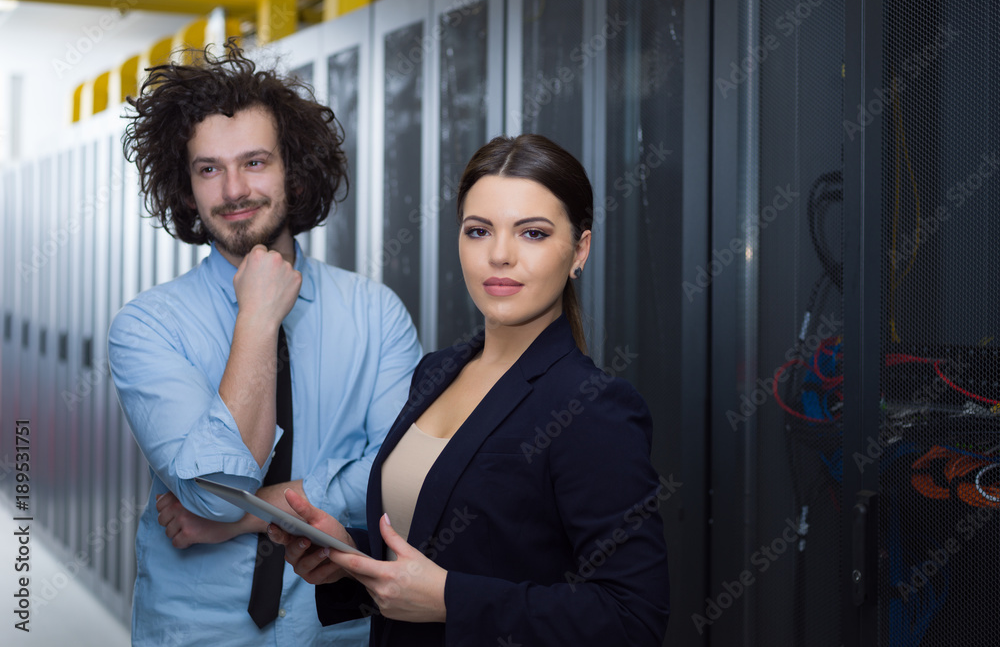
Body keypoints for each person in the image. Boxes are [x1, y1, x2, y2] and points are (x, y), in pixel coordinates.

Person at [268, 134, 670, 645]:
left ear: (580, 250)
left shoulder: (593, 405)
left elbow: (633, 618)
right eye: (479, 231)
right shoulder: (435, 372)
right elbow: (459, 545)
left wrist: (449, 600)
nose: (499, 255)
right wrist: (353, 556)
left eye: (533, 234)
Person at [108, 41, 421, 647]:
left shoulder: (375, 313)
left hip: (339, 629)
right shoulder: (148, 325)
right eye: (208, 169)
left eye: (255, 162)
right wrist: (256, 318)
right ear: (187, 185)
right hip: (199, 631)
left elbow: (398, 478)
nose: (233, 190)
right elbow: (209, 492)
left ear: (293, 171)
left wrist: (257, 510)